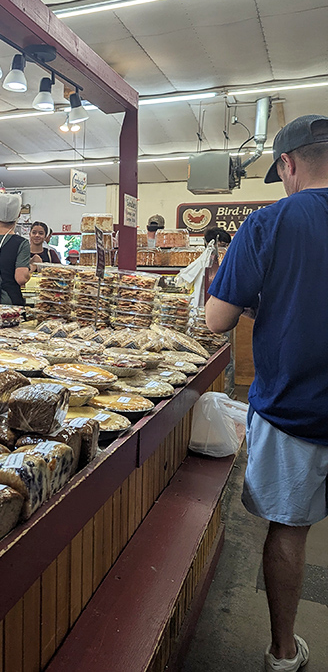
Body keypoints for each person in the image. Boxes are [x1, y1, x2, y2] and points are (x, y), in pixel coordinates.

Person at [205, 114, 328, 672]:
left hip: (293, 407)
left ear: (288, 163)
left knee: (289, 530)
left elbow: (217, 319)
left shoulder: (269, 221)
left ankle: (282, 653)